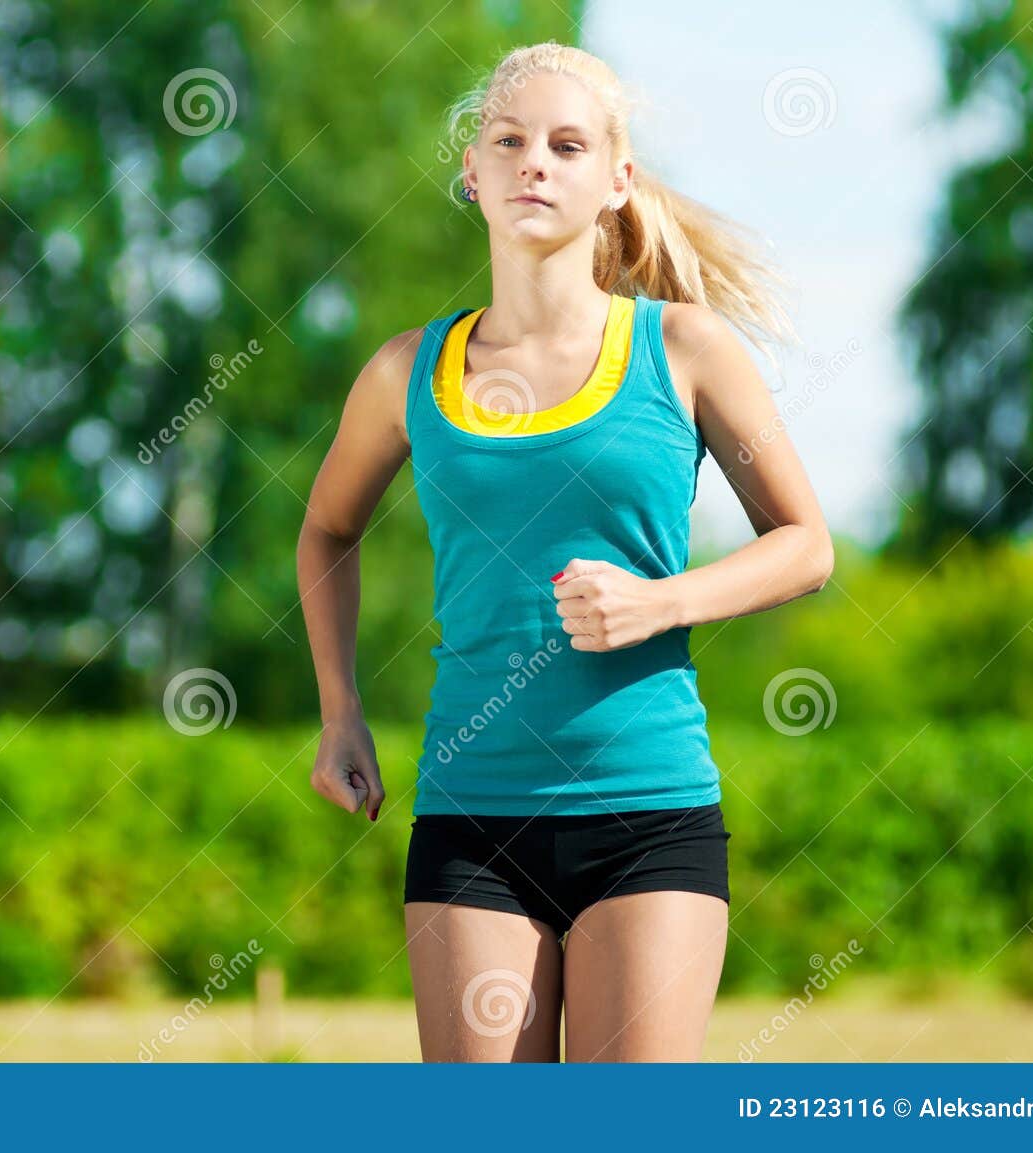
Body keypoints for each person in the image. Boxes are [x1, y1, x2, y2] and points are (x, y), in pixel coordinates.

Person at [295, 41, 833, 1062]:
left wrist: (661, 601)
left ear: (614, 182)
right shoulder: (406, 371)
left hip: (649, 814)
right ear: (472, 173)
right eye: (508, 140)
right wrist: (340, 710)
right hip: (469, 819)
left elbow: (805, 544)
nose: (533, 161)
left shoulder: (683, 349)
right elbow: (327, 527)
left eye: (565, 143)